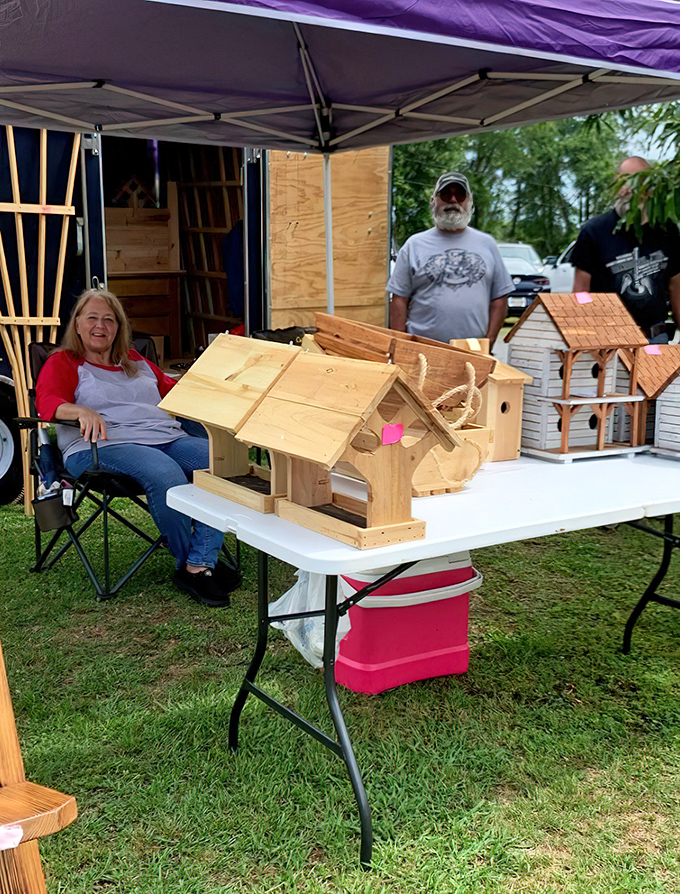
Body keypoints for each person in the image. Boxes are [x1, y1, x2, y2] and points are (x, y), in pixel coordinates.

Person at [35, 288, 238, 608]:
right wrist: (81, 411)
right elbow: (47, 402)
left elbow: (174, 390)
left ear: (119, 327)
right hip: (101, 445)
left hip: (165, 436)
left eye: (109, 319)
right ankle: (197, 566)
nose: (100, 325)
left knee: (221, 462)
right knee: (165, 474)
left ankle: (199, 563)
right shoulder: (64, 361)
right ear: (77, 324)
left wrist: (215, 386)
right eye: (92, 318)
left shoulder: (135, 360)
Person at [387, 171, 513, 350]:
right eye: (445, 194)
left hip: (473, 351)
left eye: (460, 195)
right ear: (433, 201)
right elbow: (399, 299)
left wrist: (489, 342)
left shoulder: (487, 244)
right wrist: (402, 346)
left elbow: (499, 298)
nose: (453, 200)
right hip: (423, 350)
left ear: (470, 202)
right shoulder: (414, 245)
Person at [572, 156, 680, 343]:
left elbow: (676, 287)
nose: (631, 189)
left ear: (651, 188)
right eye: (625, 181)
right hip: (608, 339)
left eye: (640, 182)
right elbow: (581, 291)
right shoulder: (594, 231)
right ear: (616, 184)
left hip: (654, 338)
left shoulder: (666, 230)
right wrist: (583, 339)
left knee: (656, 373)